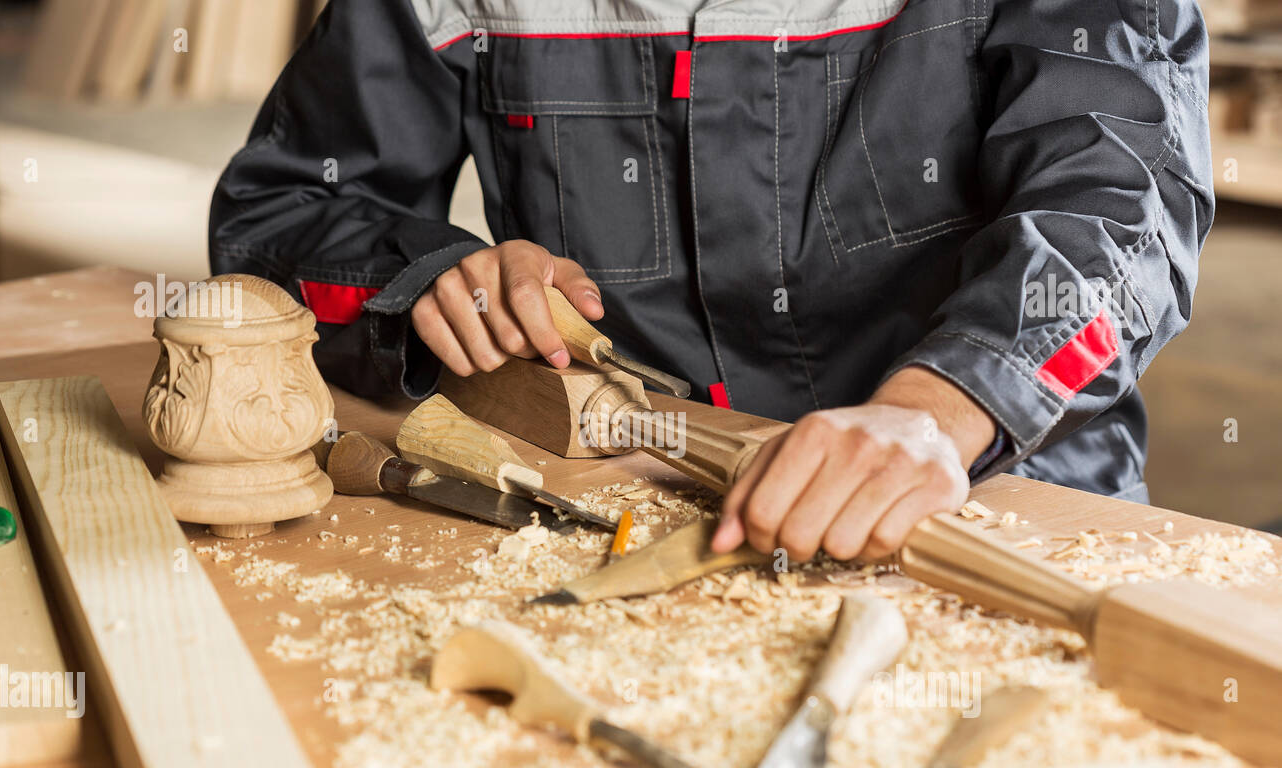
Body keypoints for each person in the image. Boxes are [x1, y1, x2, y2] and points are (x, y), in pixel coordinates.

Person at [211, 0, 1213, 562]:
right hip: (623, 521)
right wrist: (424, 276)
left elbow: (1130, 216)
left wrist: (945, 405)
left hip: (995, 507)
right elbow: (278, 218)